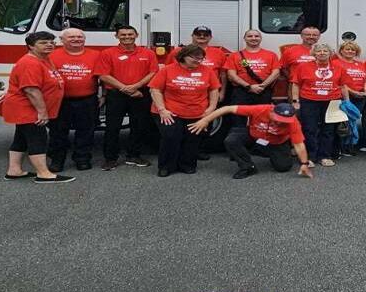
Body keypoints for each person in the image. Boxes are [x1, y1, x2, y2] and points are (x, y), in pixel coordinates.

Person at [2, 32, 73, 184]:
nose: (49, 44)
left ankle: (14, 170)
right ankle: (43, 174)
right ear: (31, 46)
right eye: (43, 42)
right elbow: (31, 90)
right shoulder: (30, 63)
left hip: (28, 109)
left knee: (20, 139)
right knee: (37, 139)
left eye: (51, 42)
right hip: (28, 108)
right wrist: (42, 112)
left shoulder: (44, 60)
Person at [148, 44, 221, 177]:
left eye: (201, 59)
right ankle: (166, 166)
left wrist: (211, 109)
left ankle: (187, 165)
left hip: (197, 112)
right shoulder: (167, 70)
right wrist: (162, 110)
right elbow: (155, 89)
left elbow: (214, 90)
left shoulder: (207, 71)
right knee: (171, 137)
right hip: (170, 112)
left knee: (192, 139)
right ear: (184, 57)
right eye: (195, 58)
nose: (198, 61)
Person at [94, 25, 160, 171]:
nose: (127, 37)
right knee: (112, 127)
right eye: (123, 35)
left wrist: (136, 86)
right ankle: (110, 158)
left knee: (139, 126)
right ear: (116, 36)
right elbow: (103, 75)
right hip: (116, 94)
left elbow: (153, 72)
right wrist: (126, 88)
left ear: (136, 35)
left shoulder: (147, 53)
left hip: (140, 93)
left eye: (130, 34)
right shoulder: (107, 53)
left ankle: (134, 155)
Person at [191, 103, 314, 179]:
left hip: (277, 142)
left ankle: (266, 152)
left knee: (283, 167)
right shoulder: (260, 109)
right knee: (232, 140)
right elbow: (227, 108)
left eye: (283, 121)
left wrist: (304, 164)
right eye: (277, 119)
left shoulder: (293, 123)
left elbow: (299, 145)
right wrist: (206, 120)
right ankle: (248, 167)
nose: (279, 122)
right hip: (254, 136)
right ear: (272, 111)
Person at [47, 28, 100, 172]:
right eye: (71, 37)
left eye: (79, 37)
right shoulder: (51, 55)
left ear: (84, 39)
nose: (76, 39)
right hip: (60, 100)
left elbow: (103, 76)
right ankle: (57, 161)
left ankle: (82, 159)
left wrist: (105, 95)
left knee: (86, 131)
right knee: (57, 132)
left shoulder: (96, 55)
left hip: (87, 99)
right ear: (62, 40)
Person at [291, 43, 348, 168]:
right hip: (309, 101)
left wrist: (346, 102)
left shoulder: (338, 67)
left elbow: (343, 86)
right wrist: (295, 101)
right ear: (314, 54)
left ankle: (325, 156)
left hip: (332, 102)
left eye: (325, 51)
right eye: (319, 51)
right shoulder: (303, 67)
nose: (322, 53)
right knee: (309, 129)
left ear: (330, 53)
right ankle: (310, 157)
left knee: (328, 130)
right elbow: (296, 84)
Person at [223, 29, 281, 106]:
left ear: (260, 38)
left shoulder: (271, 55)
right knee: (239, 117)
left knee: (261, 117)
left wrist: (262, 86)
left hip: (263, 90)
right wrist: (249, 87)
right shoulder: (235, 55)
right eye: (250, 36)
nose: (253, 38)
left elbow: (276, 73)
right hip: (241, 91)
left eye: (256, 36)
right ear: (245, 39)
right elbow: (231, 75)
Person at [335, 41, 366, 156]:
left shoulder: (360, 64)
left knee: (353, 121)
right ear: (341, 51)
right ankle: (341, 147)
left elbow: (365, 79)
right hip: (344, 96)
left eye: (352, 50)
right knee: (343, 122)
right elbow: (339, 83)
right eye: (347, 49)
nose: (350, 51)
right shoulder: (336, 63)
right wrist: (353, 92)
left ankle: (351, 145)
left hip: (360, 97)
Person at [278, 27, 322, 102]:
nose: (311, 37)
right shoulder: (290, 51)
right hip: (296, 86)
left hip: (318, 86)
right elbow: (283, 67)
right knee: (296, 109)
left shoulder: (323, 51)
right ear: (301, 36)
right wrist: (292, 78)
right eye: (308, 35)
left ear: (319, 37)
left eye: (314, 35)